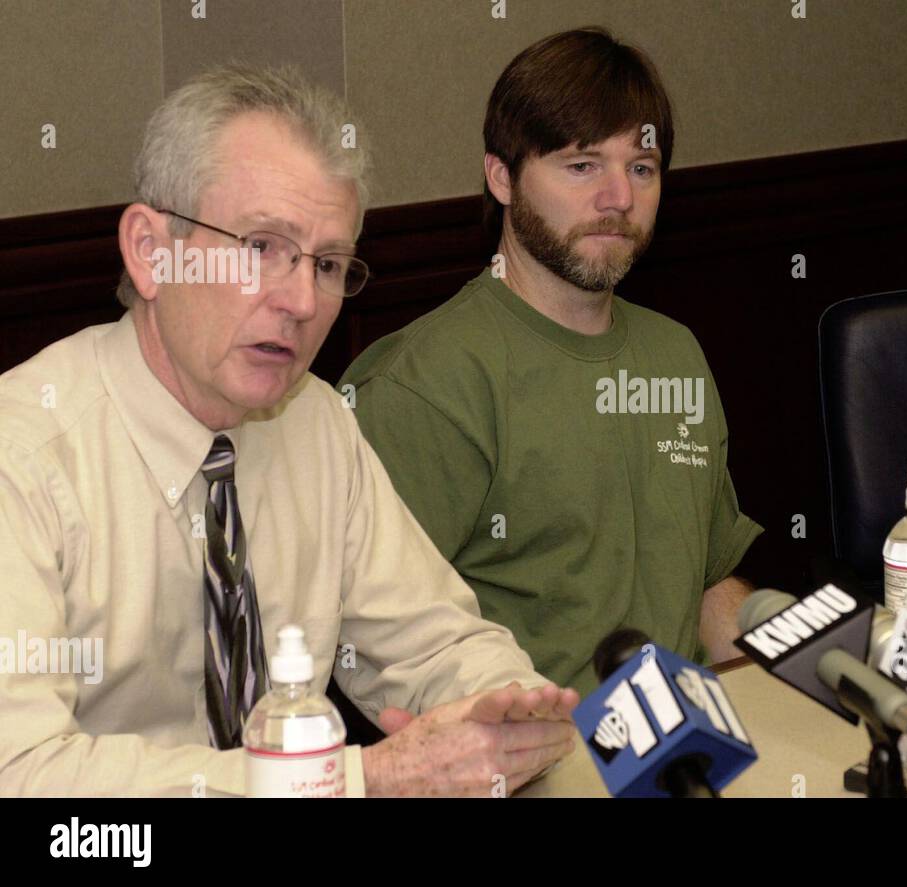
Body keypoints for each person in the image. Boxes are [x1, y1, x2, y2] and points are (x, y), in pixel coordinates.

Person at [0, 64, 577, 797]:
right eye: (261, 247)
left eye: (329, 263)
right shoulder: (20, 456)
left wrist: (509, 713)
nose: (302, 300)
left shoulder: (315, 423)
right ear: (151, 251)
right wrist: (352, 777)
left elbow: (433, 643)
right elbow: (21, 775)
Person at [340, 28, 763, 694]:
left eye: (642, 168)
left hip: (693, 748)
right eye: (582, 164)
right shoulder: (422, 383)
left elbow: (708, 588)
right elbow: (371, 648)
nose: (619, 196)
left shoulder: (675, 353)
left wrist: (802, 671)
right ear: (502, 177)